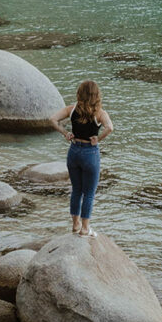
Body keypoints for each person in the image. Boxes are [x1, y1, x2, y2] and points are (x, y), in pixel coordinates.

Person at [50, 80, 113, 237]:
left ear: (80, 93)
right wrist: (98, 138)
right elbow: (110, 128)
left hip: (74, 152)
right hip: (90, 153)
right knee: (89, 193)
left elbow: (52, 119)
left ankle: (75, 224)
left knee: (76, 190)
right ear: (96, 95)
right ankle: (85, 228)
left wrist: (65, 133)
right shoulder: (100, 113)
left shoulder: (72, 109)